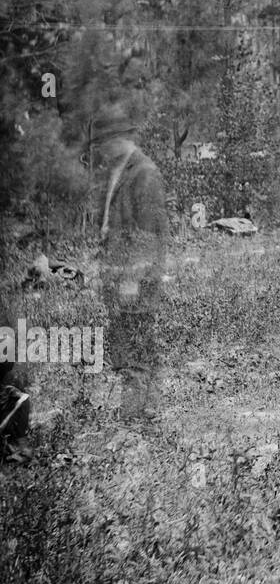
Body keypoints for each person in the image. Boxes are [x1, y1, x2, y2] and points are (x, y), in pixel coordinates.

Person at [90, 104, 170, 423]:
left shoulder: (144, 173)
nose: (99, 150)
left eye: (102, 143)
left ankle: (140, 416)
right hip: (121, 278)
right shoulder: (119, 170)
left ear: (117, 140)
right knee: (128, 348)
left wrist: (131, 280)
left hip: (137, 281)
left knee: (137, 348)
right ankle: (138, 412)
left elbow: (148, 235)